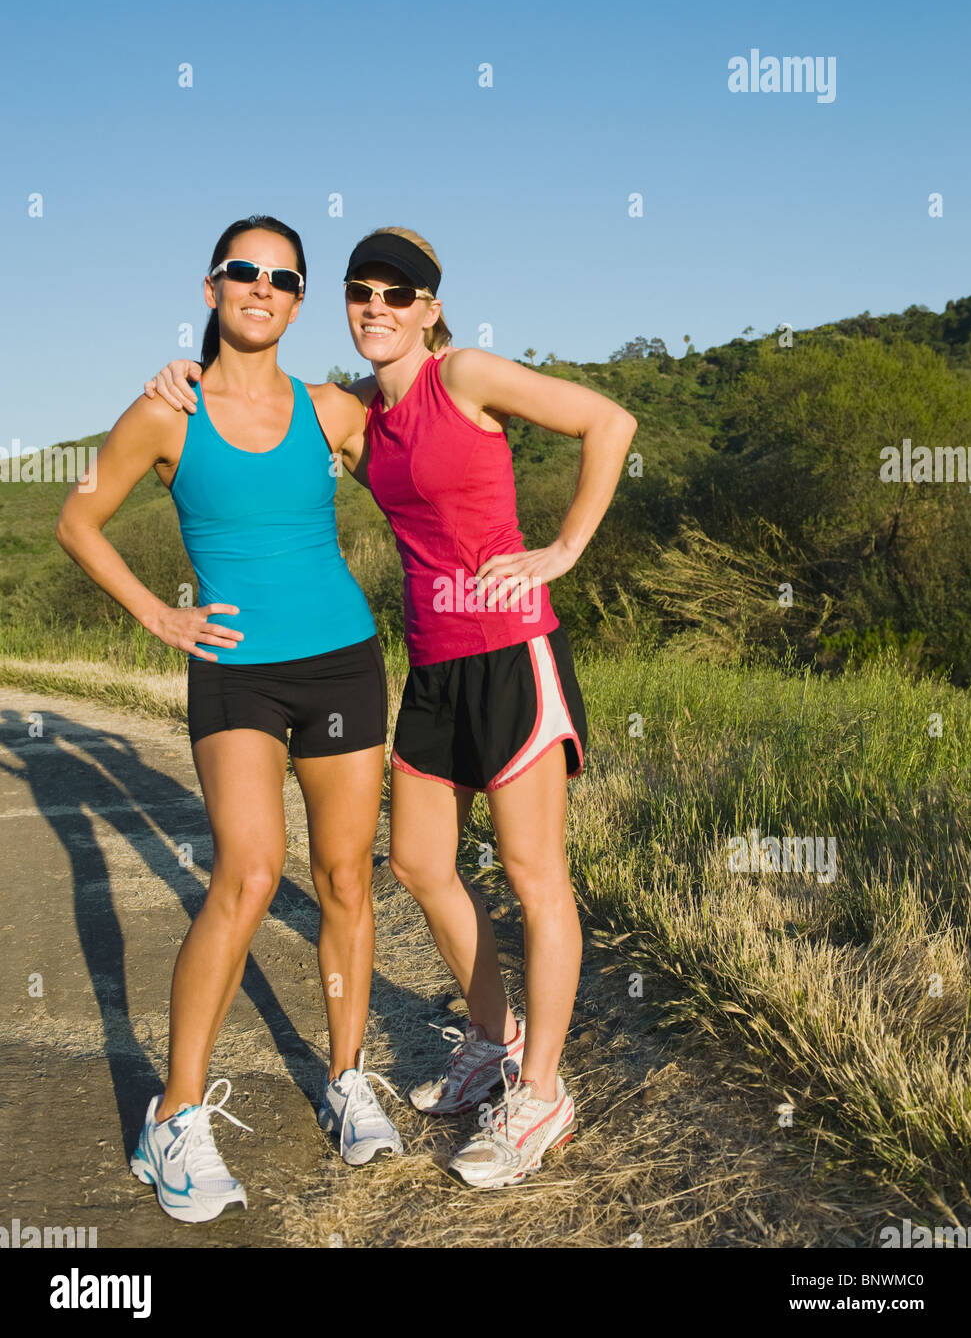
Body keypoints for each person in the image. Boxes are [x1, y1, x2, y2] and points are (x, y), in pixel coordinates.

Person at [145, 225, 637, 1188]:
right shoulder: (355, 409)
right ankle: (495, 1039)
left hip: (512, 651)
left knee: (537, 876)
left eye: (399, 294)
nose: (378, 307)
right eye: (361, 291)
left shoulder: (469, 376)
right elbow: (252, 398)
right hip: (433, 668)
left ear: (432, 308)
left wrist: (564, 549)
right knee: (416, 861)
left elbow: (608, 423)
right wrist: (181, 373)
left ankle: (539, 1093)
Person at [56, 216, 401, 1223]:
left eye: (282, 277)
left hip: (342, 660)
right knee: (248, 870)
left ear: (298, 301)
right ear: (212, 288)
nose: (262, 286)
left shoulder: (330, 406)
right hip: (235, 672)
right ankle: (171, 1118)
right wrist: (160, 614)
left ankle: (345, 1077)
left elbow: (425, 459)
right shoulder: (167, 408)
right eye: (242, 270)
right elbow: (78, 520)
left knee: (343, 876)